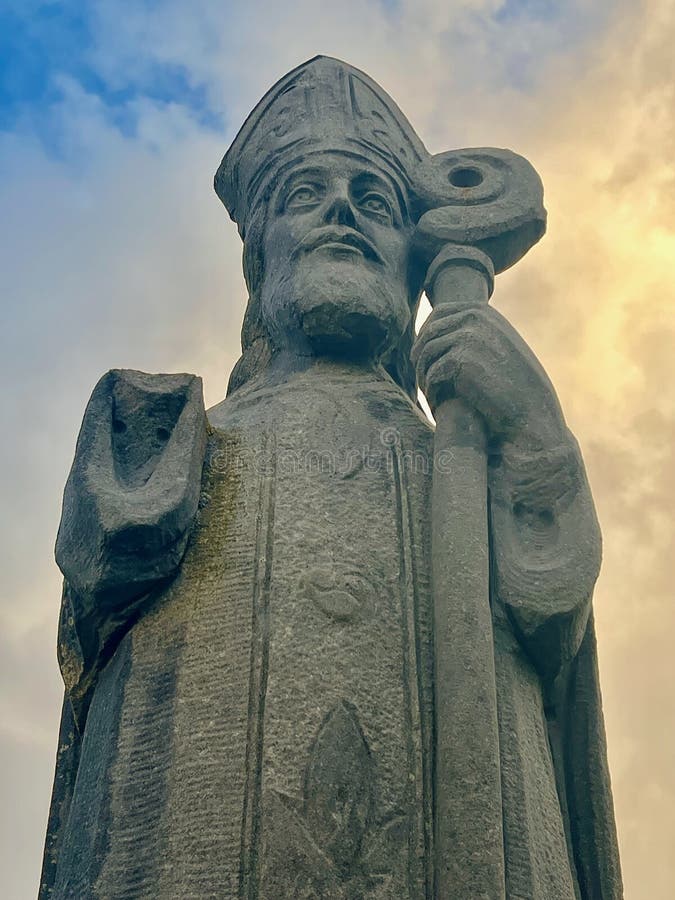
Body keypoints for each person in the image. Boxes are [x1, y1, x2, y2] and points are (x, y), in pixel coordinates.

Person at [41, 56, 622, 899]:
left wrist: (534, 434)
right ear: (260, 254)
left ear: (409, 263)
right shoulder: (169, 437)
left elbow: (548, 615)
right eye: (306, 194)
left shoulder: (468, 463)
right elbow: (95, 603)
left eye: (374, 201)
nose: (343, 210)